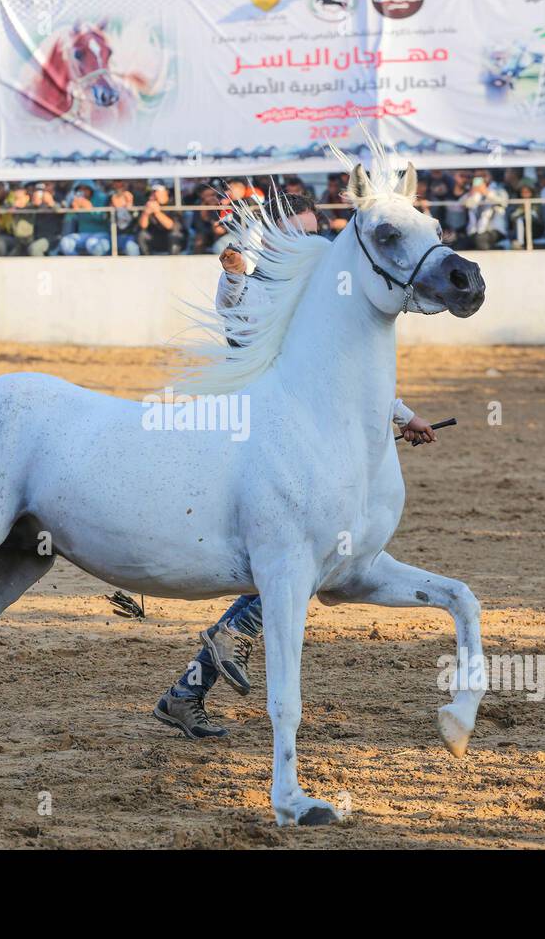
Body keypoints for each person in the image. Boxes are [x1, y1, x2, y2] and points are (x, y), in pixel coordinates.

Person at [152, 191, 444, 740]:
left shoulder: (319, 292)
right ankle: (206, 666)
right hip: (254, 434)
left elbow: (351, 374)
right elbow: (233, 309)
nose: (307, 242)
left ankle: (189, 690)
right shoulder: (262, 282)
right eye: (297, 232)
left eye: (314, 233)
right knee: (294, 562)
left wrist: (402, 414)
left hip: (293, 437)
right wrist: (235, 271)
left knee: (293, 565)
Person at [137, 183, 186, 255]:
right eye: (153, 191)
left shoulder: (174, 203)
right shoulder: (150, 204)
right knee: (142, 235)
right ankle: (147, 262)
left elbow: (171, 226)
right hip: (155, 237)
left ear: (166, 192)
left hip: (173, 238)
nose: (154, 194)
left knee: (174, 235)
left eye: (157, 191)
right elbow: (143, 226)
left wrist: (157, 212)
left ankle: (173, 263)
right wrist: (146, 213)